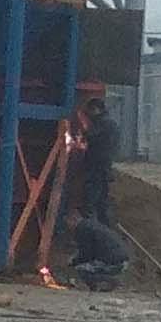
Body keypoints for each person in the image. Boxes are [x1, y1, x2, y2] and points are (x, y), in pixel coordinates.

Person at [66, 85, 127, 288]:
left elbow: (90, 138)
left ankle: (102, 280)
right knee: (101, 204)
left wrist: (81, 137)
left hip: (97, 170)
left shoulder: (103, 125)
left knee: (91, 202)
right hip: (103, 170)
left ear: (96, 110)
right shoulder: (109, 124)